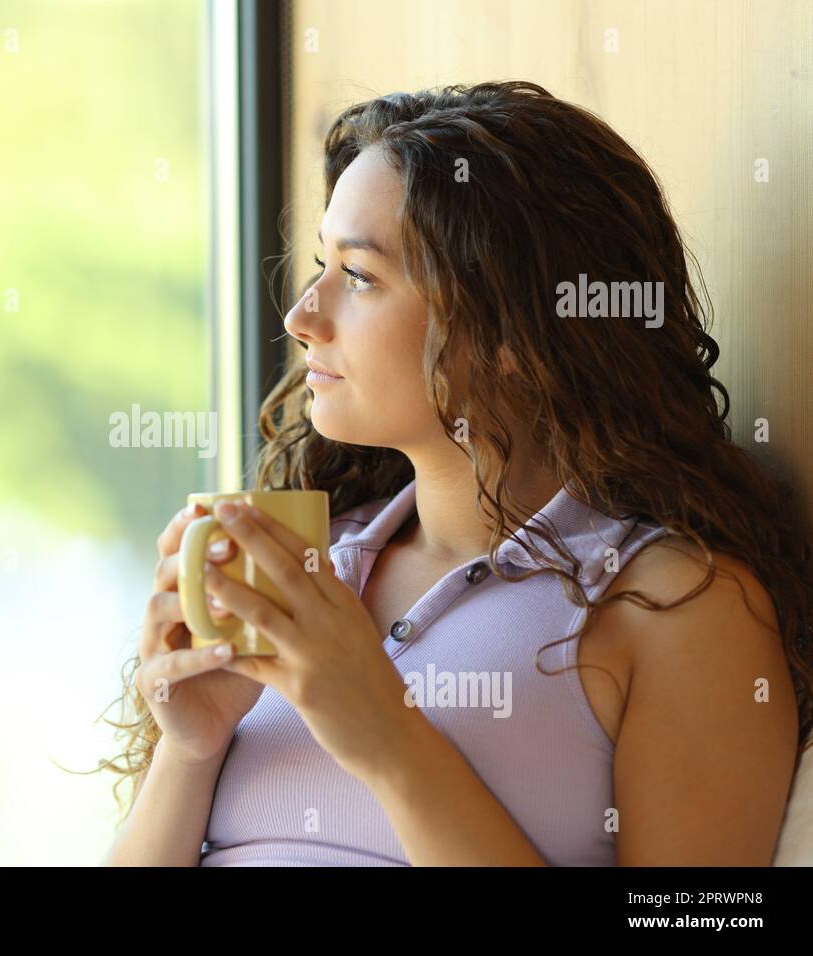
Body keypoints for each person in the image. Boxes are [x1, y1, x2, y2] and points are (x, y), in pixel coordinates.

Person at [99, 81, 812, 866]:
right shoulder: (302, 568)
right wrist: (190, 753)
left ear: (514, 330)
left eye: (360, 277)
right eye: (320, 265)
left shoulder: (675, 607)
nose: (301, 316)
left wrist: (387, 737)